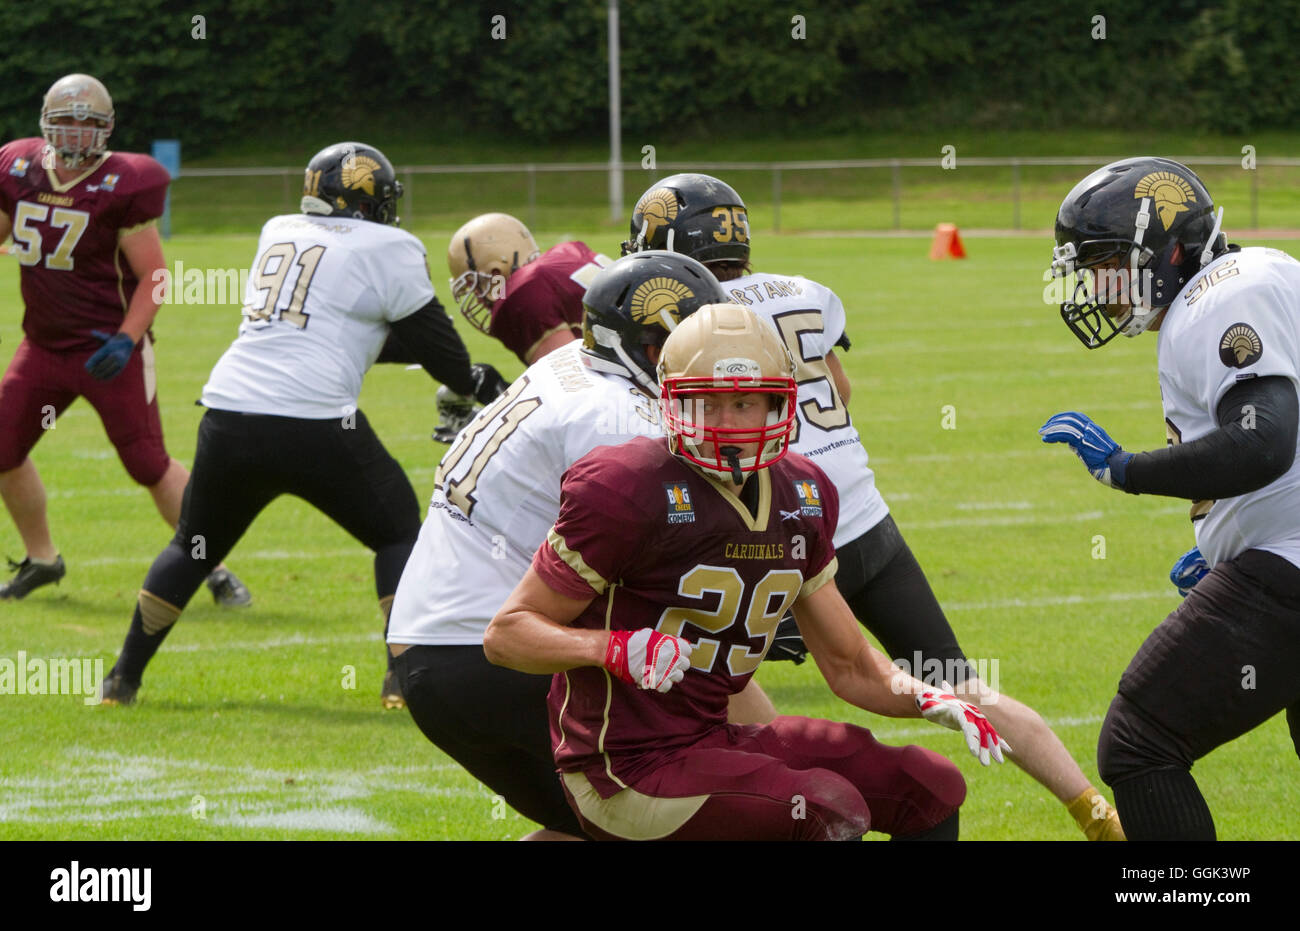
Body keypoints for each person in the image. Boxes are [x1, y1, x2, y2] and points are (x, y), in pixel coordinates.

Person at [623, 172, 1125, 839]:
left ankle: (788, 793)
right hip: (858, 512)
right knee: (960, 682)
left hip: (772, 524)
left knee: (713, 678)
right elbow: (840, 388)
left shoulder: (695, 314)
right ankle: (1093, 807)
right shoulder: (804, 291)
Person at [484, 302, 1008, 841]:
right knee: (825, 806)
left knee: (928, 786)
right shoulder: (626, 485)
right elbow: (507, 634)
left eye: (743, 403)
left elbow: (851, 665)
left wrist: (923, 695)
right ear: (671, 404)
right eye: (707, 405)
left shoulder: (803, 493)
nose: (728, 425)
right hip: (625, 769)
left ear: (776, 404)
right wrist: (609, 649)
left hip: (716, 740)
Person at [97, 141, 506, 708]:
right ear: (366, 201)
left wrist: (440, 363)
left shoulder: (279, 229)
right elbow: (436, 345)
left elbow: (330, 329)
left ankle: (122, 680)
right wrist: (470, 380)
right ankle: (400, 681)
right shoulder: (389, 245)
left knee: (193, 545)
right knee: (395, 531)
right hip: (314, 422)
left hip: (230, 412)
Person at [389, 252, 781, 839]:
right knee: (694, 813)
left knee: (605, 826)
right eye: (686, 345)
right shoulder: (618, 420)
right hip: (497, 651)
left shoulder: (576, 362)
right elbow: (671, 594)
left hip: (445, 647)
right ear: (649, 348)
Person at [1040, 156, 1300, 841]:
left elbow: (1265, 439)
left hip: (1290, 566)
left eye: (1105, 261)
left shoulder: (1221, 296)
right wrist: (1229, 549)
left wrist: (1128, 469)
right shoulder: (1256, 277)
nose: (1096, 284)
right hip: (1282, 554)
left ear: (1169, 247)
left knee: (1139, 739)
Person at [0, 73, 249, 605]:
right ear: (46, 122)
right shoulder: (17, 168)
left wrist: (126, 339)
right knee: (2, 447)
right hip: (42, 347)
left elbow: (155, 278)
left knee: (147, 463)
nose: (76, 132)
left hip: (108, 348)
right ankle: (43, 560)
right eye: (66, 120)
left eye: (88, 122)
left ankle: (214, 566)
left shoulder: (123, 183)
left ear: (106, 128)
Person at [432, 214, 612, 443]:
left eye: (476, 285)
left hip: (633, 414)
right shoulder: (571, 253)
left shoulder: (523, 292)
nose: (478, 297)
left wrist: (491, 396)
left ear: (495, 272)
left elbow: (572, 396)